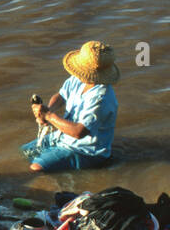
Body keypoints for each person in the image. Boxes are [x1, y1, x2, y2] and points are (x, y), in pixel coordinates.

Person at [22, 40, 119, 172]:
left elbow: (79, 132)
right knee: (24, 153)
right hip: (63, 137)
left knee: (36, 168)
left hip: (85, 151)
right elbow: (61, 96)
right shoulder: (79, 78)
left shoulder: (101, 98)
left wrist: (49, 116)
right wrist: (48, 110)